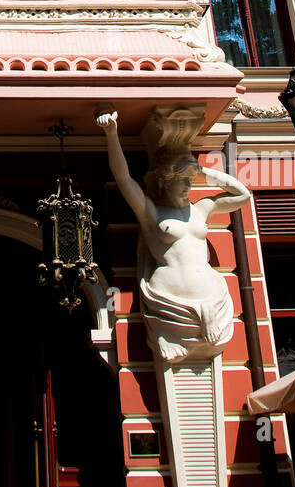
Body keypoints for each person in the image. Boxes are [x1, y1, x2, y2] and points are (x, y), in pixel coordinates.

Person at [96, 108, 250, 364]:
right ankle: (164, 337)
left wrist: (200, 171)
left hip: (212, 302)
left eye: (190, 181)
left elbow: (242, 196)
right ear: (166, 181)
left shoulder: (201, 208)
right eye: (182, 181)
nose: (189, 186)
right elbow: (123, 179)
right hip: (168, 303)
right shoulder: (152, 213)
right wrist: (111, 133)